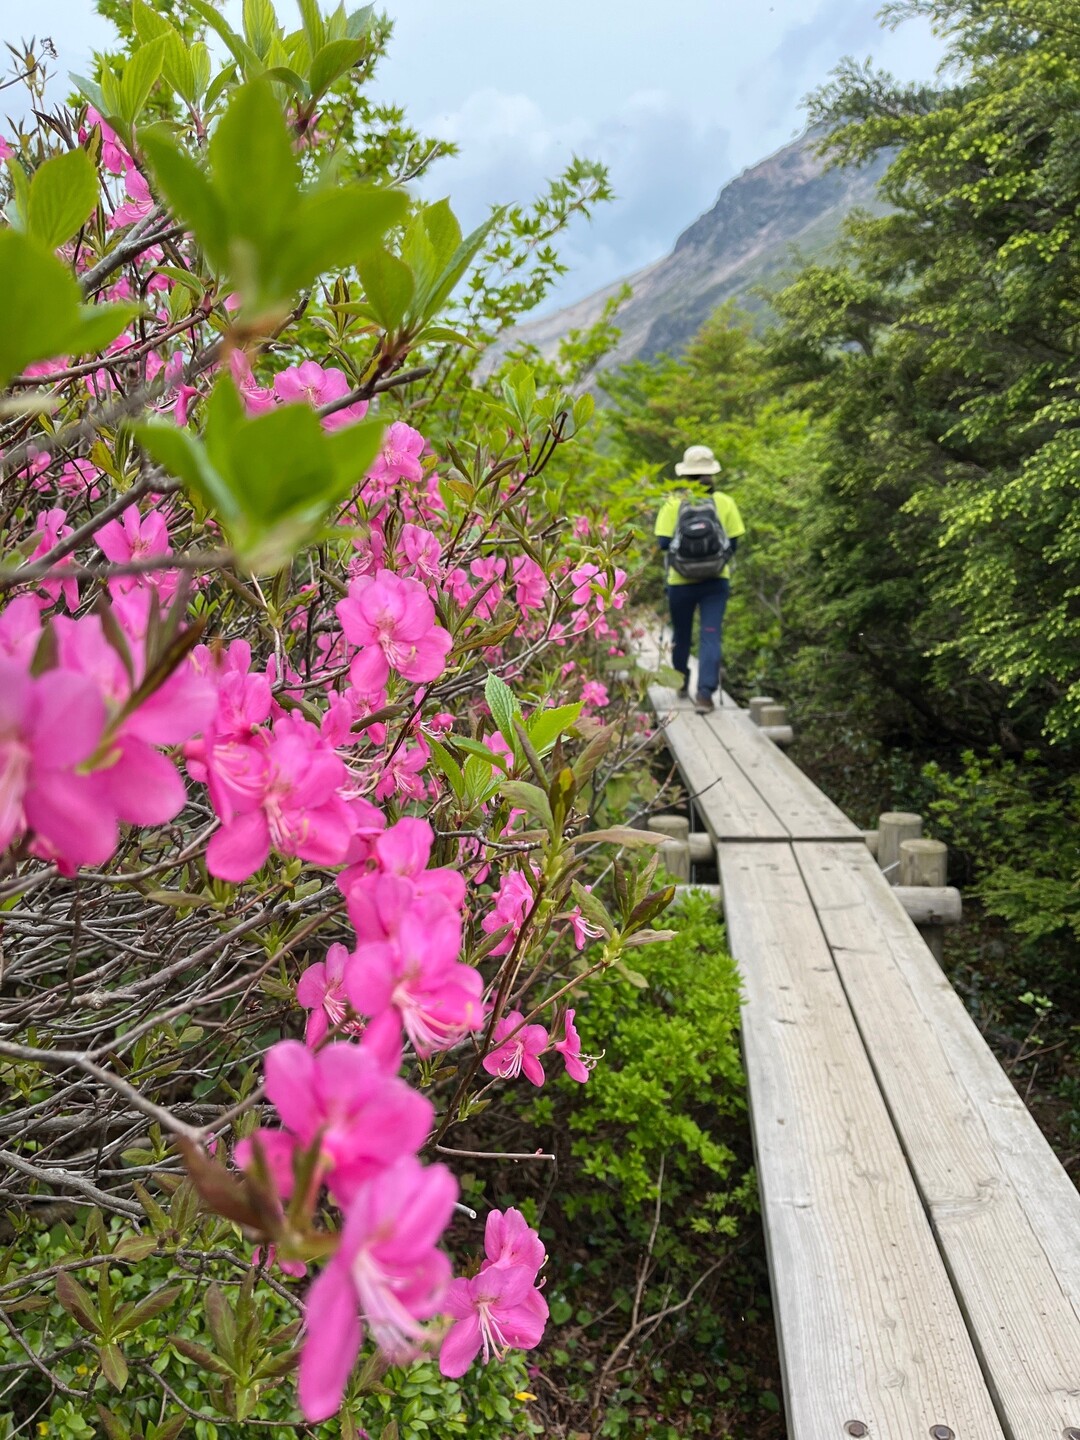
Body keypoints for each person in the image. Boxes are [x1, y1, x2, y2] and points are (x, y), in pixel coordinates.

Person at [654, 444, 745, 713]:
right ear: (711, 473)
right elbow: (735, 542)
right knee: (710, 634)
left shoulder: (673, 502)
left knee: (681, 635)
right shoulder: (725, 502)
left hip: (680, 582)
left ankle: (681, 682)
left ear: (685, 475)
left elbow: (662, 542)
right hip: (716, 581)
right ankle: (705, 695)